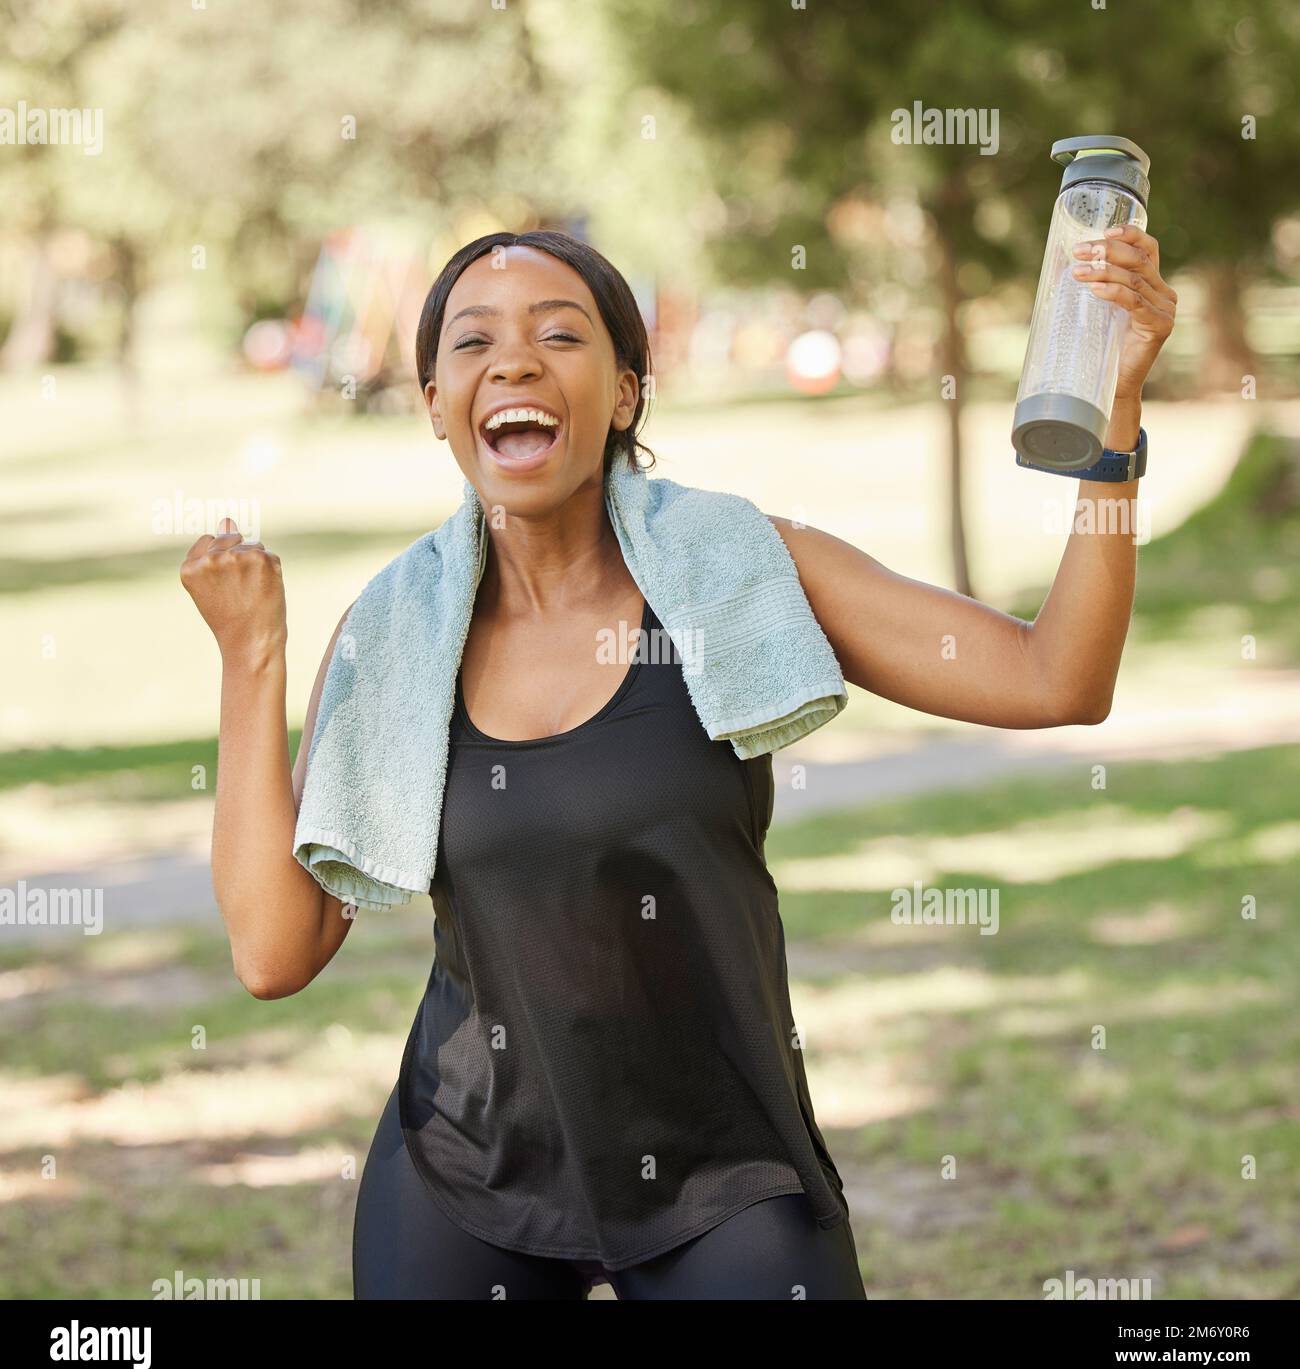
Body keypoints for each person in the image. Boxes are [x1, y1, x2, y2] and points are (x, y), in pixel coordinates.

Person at [179, 228, 1176, 1299]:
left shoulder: (743, 569)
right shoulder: (398, 635)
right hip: (469, 1169)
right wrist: (252, 660)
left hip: (726, 1166)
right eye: (474, 343)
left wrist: (1111, 422)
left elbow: (1054, 678)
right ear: (435, 404)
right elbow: (273, 953)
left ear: (622, 392)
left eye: (559, 333)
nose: (512, 360)